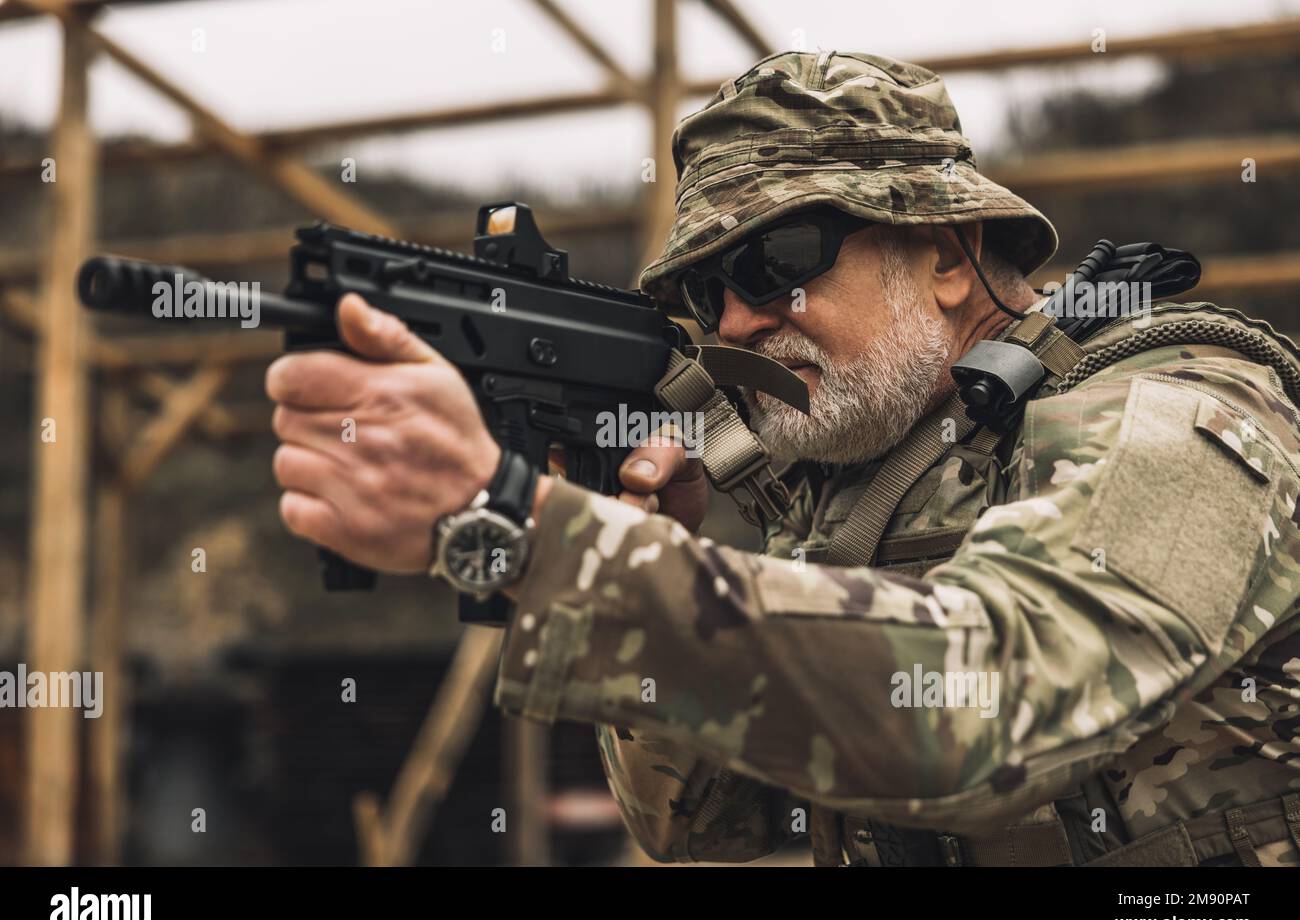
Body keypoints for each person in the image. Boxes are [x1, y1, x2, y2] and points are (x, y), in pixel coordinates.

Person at [265, 52, 1300, 866]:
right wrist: (649, 546)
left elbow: (986, 708)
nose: (738, 320)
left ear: (942, 252)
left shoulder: (1172, 409)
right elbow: (701, 827)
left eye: (777, 261)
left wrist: (552, 545)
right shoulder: (840, 492)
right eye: (704, 293)